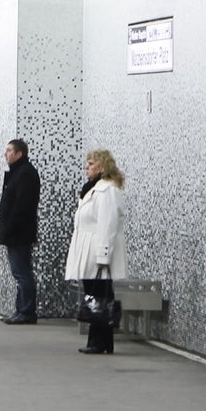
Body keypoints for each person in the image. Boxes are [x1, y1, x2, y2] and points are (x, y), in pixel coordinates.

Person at [64, 148, 127, 355]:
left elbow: (107, 224)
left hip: (96, 249)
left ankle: (99, 341)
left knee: (98, 295)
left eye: (90, 164)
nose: (86, 167)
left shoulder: (106, 190)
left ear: (101, 166)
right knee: (96, 294)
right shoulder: (93, 188)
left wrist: (104, 254)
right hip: (88, 247)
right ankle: (101, 341)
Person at [0, 138, 41, 324]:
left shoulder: (25, 174)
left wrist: (9, 228)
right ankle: (21, 309)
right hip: (16, 232)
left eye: (9, 150)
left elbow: (22, 206)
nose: (6, 154)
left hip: (19, 233)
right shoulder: (18, 173)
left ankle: (26, 311)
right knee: (20, 273)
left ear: (19, 154)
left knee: (22, 273)